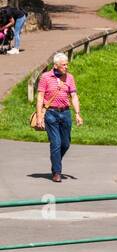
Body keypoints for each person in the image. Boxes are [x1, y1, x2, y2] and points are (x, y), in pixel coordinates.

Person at [34, 53, 83, 183]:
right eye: (64, 65)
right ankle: (57, 172)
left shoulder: (70, 78)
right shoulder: (45, 77)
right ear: (55, 65)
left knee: (65, 144)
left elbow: (74, 96)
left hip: (66, 113)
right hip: (50, 113)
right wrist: (39, 116)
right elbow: (40, 97)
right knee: (56, 143)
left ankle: (55, 162)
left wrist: (77, 113)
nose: (66, 67)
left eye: (67, 64)